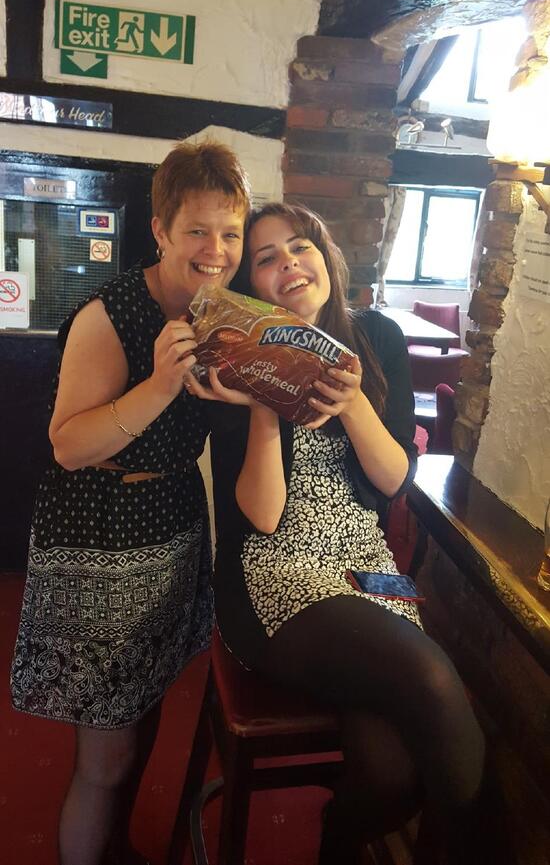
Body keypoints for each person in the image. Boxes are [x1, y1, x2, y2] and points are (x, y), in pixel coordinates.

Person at [193, 202, 512, 865]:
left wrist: (354, 400)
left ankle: (336, 843)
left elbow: (395, 480)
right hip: (273, 572)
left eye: (299, 246)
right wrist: (261, 401)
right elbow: (262, 516)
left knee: (393, 775)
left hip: (362, 563)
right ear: (254, 286)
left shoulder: (377, 337)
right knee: (431, 682)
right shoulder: (238, 353)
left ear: (325, 255)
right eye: (267, 257)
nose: (288, 263)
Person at [10, 141, 251, 865]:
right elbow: (68, 444)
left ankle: (117, 846)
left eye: (231, 232)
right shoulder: (111, 312)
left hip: (172, 530)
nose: (216, 249)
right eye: (198, 231)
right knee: (104, 758)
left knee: (142, 714)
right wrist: (158, 385)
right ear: (160, 230)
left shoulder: (223, 315)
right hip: (102, 541)